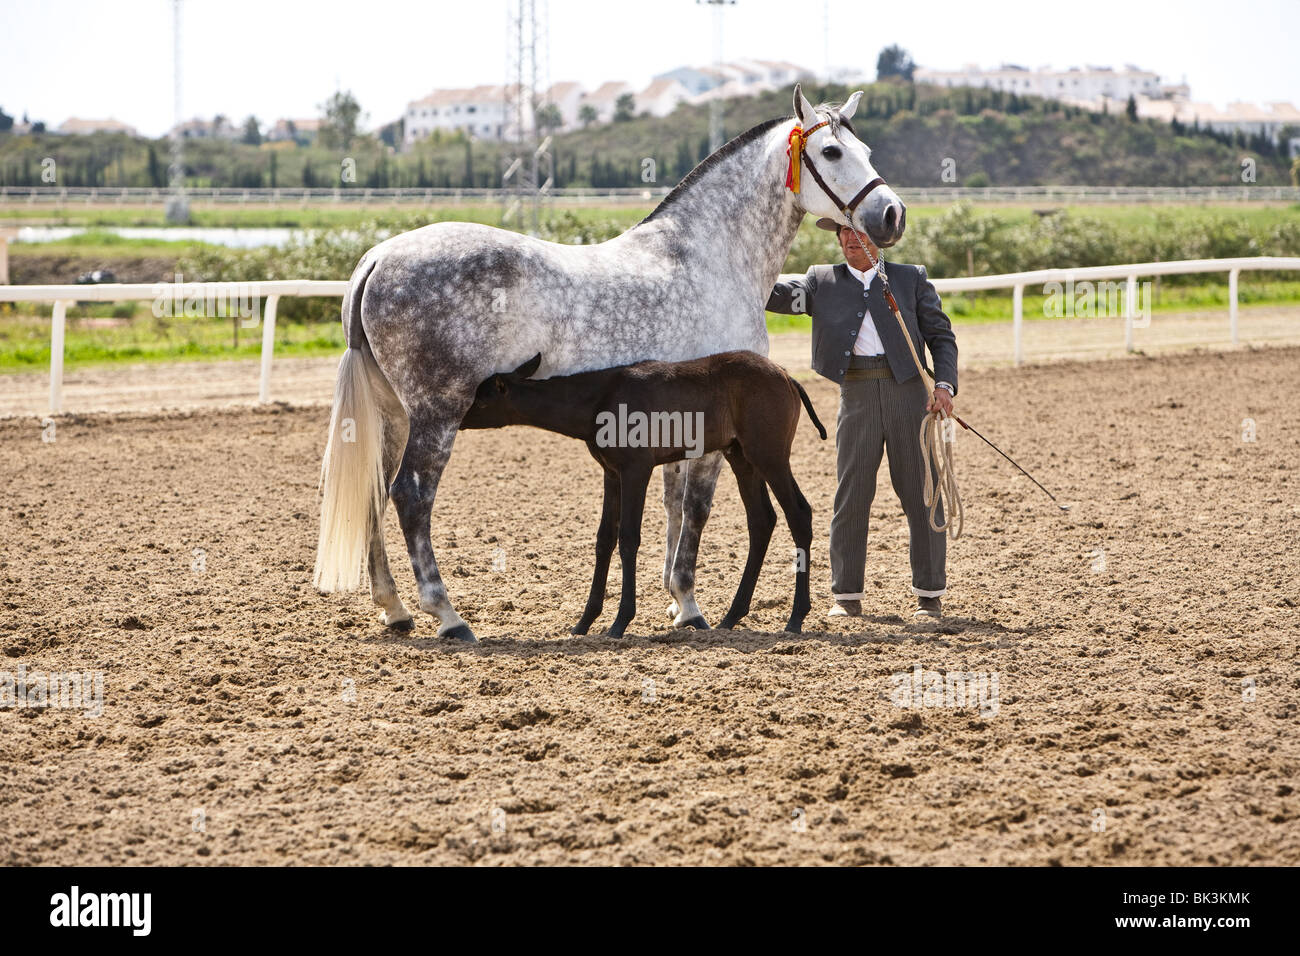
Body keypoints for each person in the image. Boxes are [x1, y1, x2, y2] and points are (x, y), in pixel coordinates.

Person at [766, 219, 958, 619]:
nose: (851, 240)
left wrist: (944, 385)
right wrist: (749, 269)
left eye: (861, 233)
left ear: (880, 240)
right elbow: (780, 295)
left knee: (922, 492)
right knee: (851, 495)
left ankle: (929, 594)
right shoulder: (821, 280)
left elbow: (941, 336)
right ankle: (846, 596)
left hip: (911, 395)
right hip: (855, 395)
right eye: (844, 233)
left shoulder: (910, 279)